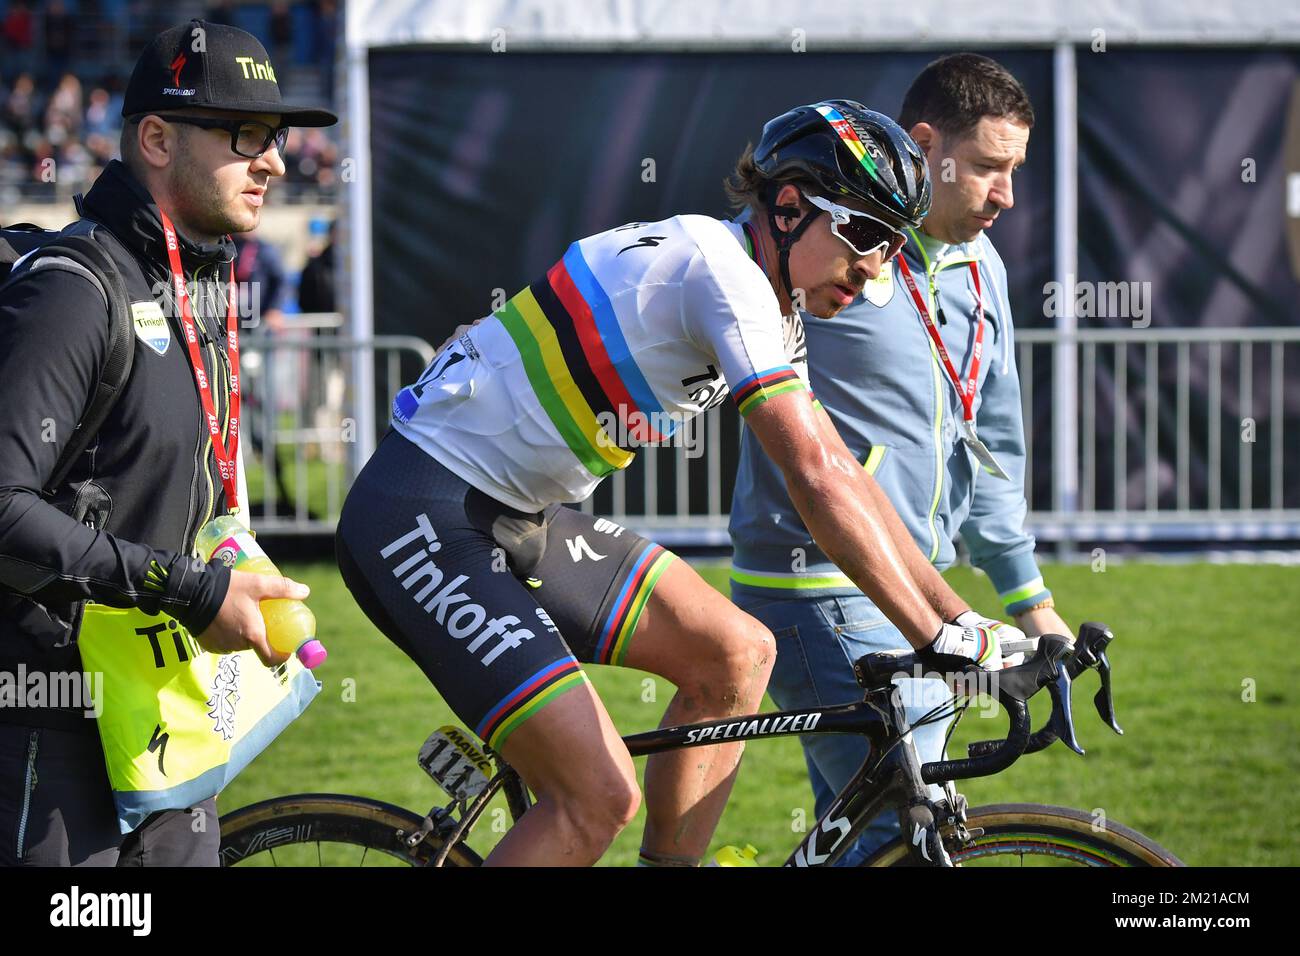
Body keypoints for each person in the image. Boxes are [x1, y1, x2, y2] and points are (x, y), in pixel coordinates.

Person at [336, 99, 1021, 867]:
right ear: (789, 207)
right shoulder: (721, 273)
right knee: (596, 798)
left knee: (736, 655)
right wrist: (935, 636)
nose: (873, 267)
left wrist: (964, 621)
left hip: (514, 517)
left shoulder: (771, 305)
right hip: (422, 514)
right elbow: (814, 475)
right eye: (863, 234)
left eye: (894, 246)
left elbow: (847, 477)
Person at [0, 19, 335, 866]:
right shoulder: (77, 291)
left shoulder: (194, 287)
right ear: (156, 138)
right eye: (245, 135)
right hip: (48, 720)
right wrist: (188, 589)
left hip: (163, 719)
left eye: (277, 138)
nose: (274, 161)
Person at [730, 53, 1068, 865]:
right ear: (925, 147)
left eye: (1016, 169)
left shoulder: (984, 271)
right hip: (817, 581)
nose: (1007, 194)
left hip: (915, 583)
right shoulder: (818, 248)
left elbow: (991, 445)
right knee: (907, 832)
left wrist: (1030, 601)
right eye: (989, 166)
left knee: (877, 830)